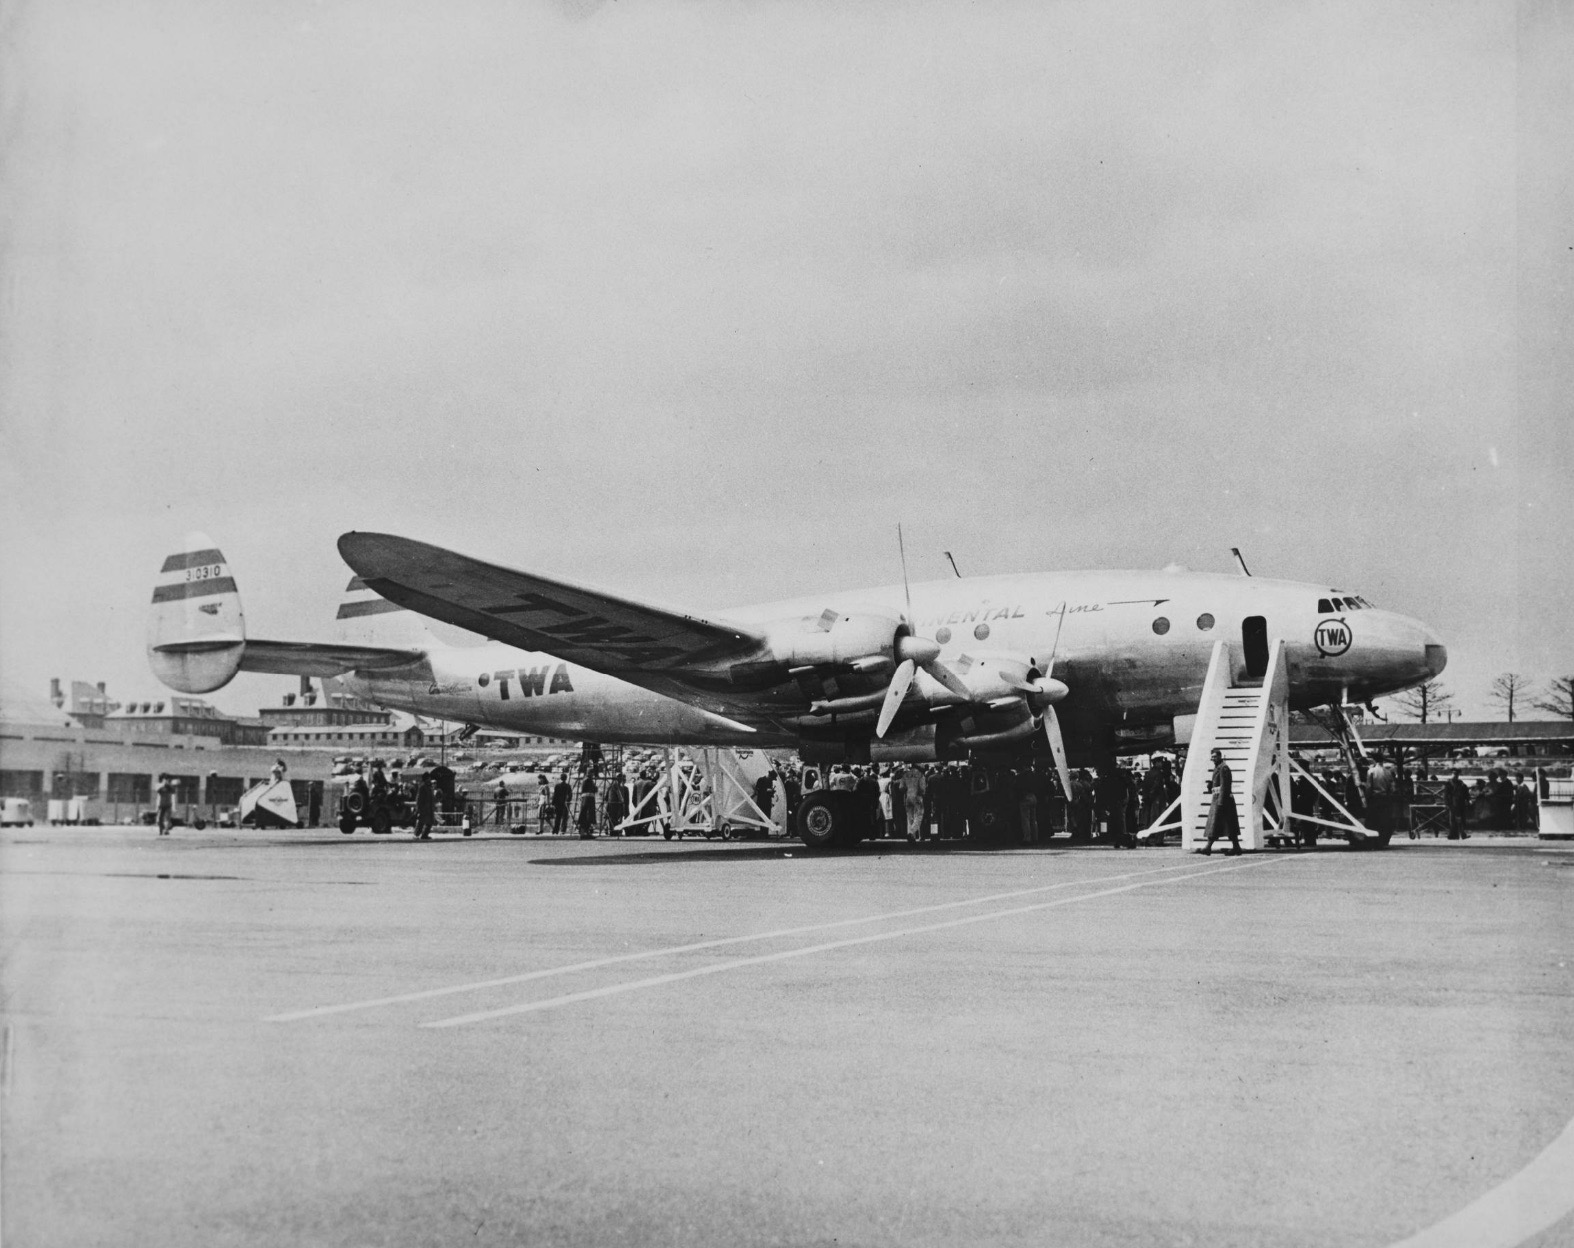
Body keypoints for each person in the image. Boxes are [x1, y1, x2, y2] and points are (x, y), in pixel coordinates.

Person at [1202, 749, 1241, 855]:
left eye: (1215, 756)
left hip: (1223, 801)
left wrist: (1220, 802)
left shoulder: (1223, 768)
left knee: (1222, 824)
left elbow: (1225, 785)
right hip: (1219, 799)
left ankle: (1208, 847)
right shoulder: (1218, 767)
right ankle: (1235, 847)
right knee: (1225, 825)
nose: (1213, 759)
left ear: (1219, 756)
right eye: (1212, 757)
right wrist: (1211, 785)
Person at [414, 774, 436, 840]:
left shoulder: (429, 787)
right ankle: (416, 835)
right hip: (424, 808)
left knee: (430, 822)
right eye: (428, 778)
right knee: (421, 822)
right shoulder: (422, 787)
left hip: (430, 808)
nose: (429, 780)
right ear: (426, 779)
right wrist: (419, 808)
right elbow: (419, 799)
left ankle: (424, 835)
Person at [576, 772, 596, 839]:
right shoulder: (587, 780)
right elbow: (592, 789)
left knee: (588, 816)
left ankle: (586, 832)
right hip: (587, 799)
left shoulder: (588, 781)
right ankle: (583, 833)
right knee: (585, 815)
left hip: (588, 799)